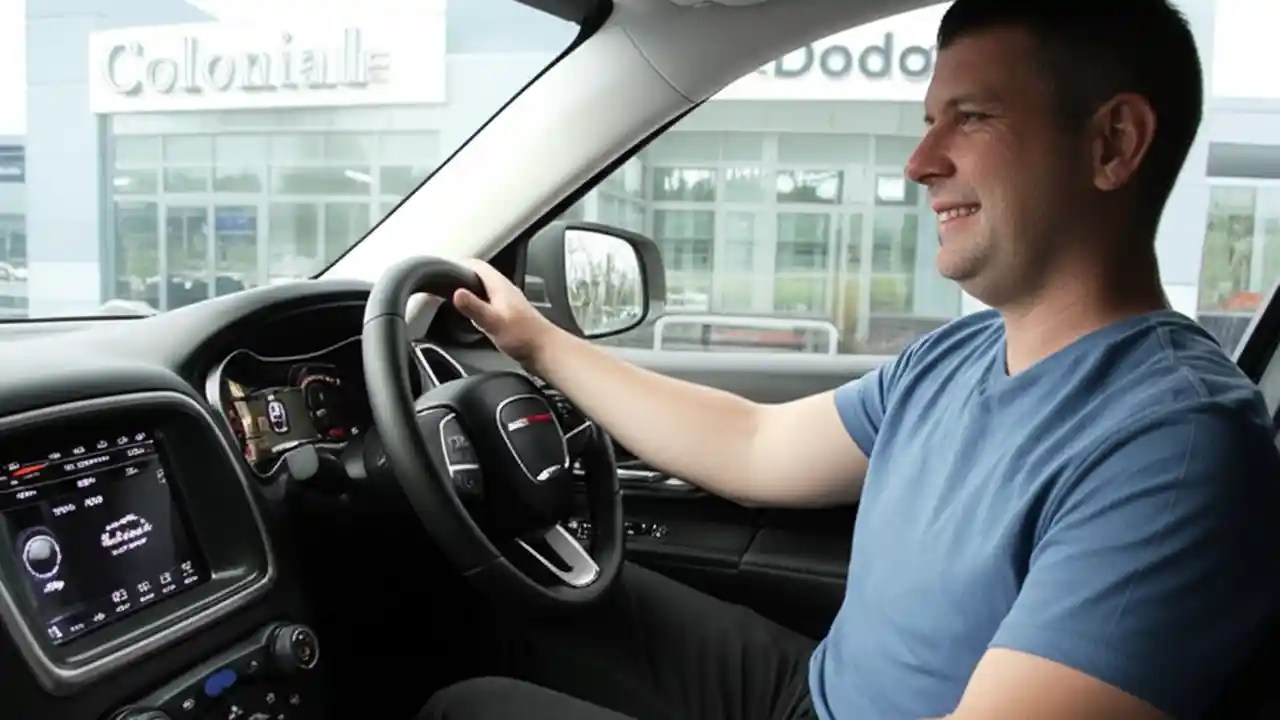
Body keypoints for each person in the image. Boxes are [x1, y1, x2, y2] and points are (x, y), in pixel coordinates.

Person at [423, 0, 1280, 718]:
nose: (919, 163)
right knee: (506, 599)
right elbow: (755, 444)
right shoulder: (958, 355)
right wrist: (538, 343)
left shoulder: (1176, 448)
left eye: (972, 117)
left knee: (472, 711)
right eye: (927, 122)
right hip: (817, 694)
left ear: (1113, 144)